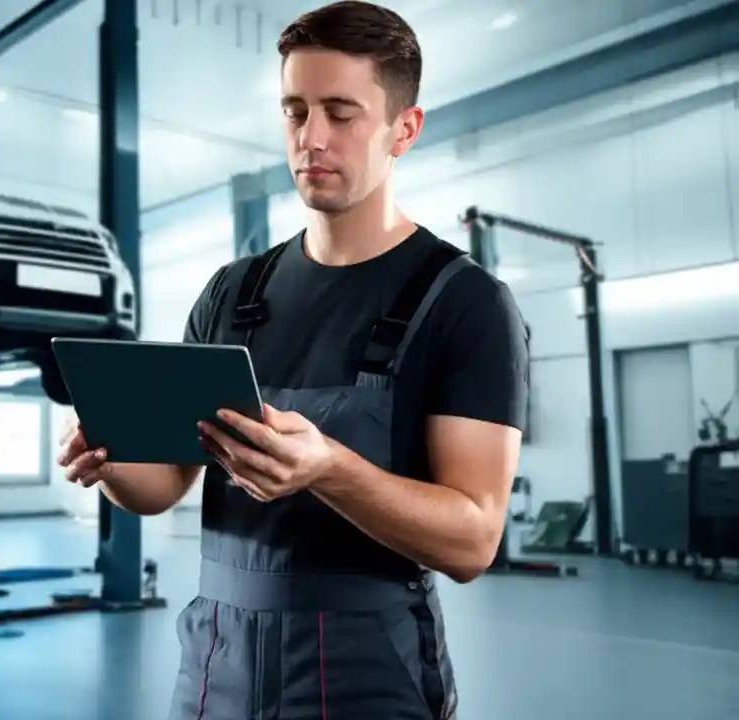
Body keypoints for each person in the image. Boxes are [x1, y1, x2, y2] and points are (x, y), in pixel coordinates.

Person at [57, 1, 528, 718]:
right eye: (295, 111)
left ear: (405, 129)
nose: (311, 138)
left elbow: (473, 540)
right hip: (215, 671)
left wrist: (330, 469)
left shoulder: (466, 304)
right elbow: (166, 483)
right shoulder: (232, 293)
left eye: (341, 113)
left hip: (368, 675)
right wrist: (111, 460)